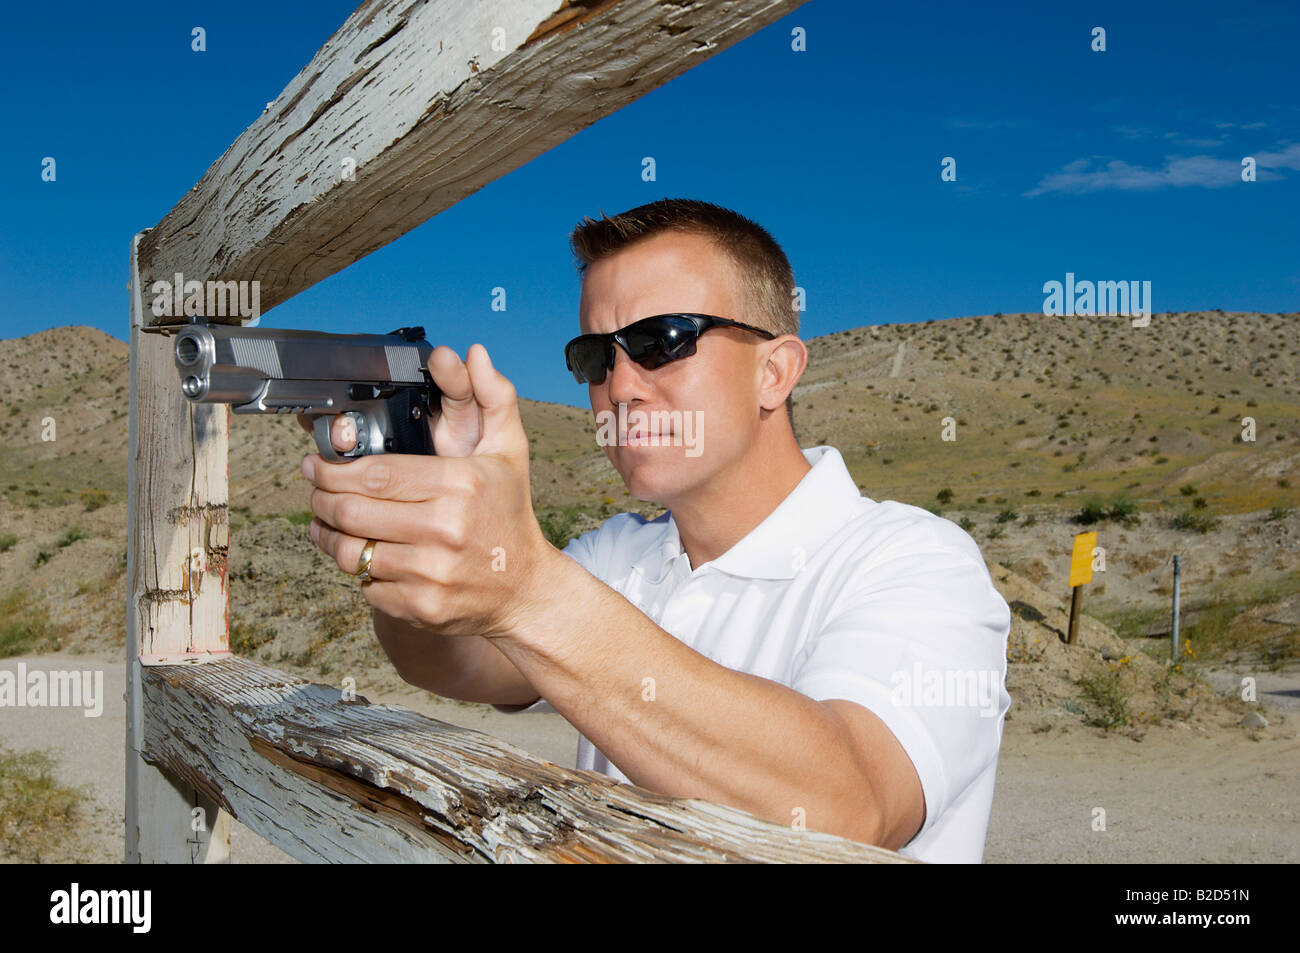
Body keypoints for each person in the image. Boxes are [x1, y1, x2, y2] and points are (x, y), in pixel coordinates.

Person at [297, 198, 1011, 862]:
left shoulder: (919, 563)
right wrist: (410, 525)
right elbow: (449, 663)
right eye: (597, 356)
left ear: (776, 371)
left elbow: (843, 808)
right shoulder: (619, 556)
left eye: (661, 341)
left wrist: (529, 589)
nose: (621, 385)